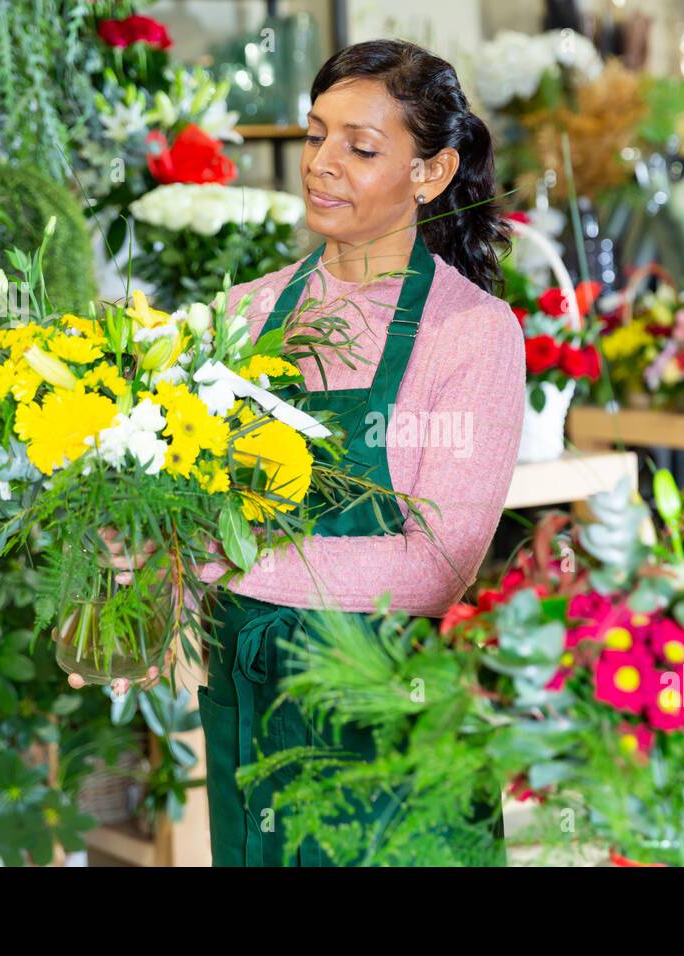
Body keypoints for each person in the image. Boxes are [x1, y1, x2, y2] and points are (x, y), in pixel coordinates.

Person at [107, 38, 526, 867]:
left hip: (387, 730)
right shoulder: (244, 310)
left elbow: (435, 569)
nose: (322, 164)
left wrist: (221, 564)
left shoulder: (469, 335)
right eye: (314, 135)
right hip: (247, 711)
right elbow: (192, 505)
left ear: (431, 174)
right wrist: (140, 590)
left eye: (361, 148)